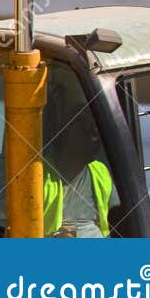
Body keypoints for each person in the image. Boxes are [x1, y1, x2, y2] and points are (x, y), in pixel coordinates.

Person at [41, 83, 115, 239]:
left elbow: (117, 213)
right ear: (65, 131)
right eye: (84, 126)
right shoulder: (39, 177)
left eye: (96, 129)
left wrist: (148, 212)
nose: (93, 135)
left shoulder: (100, 172)